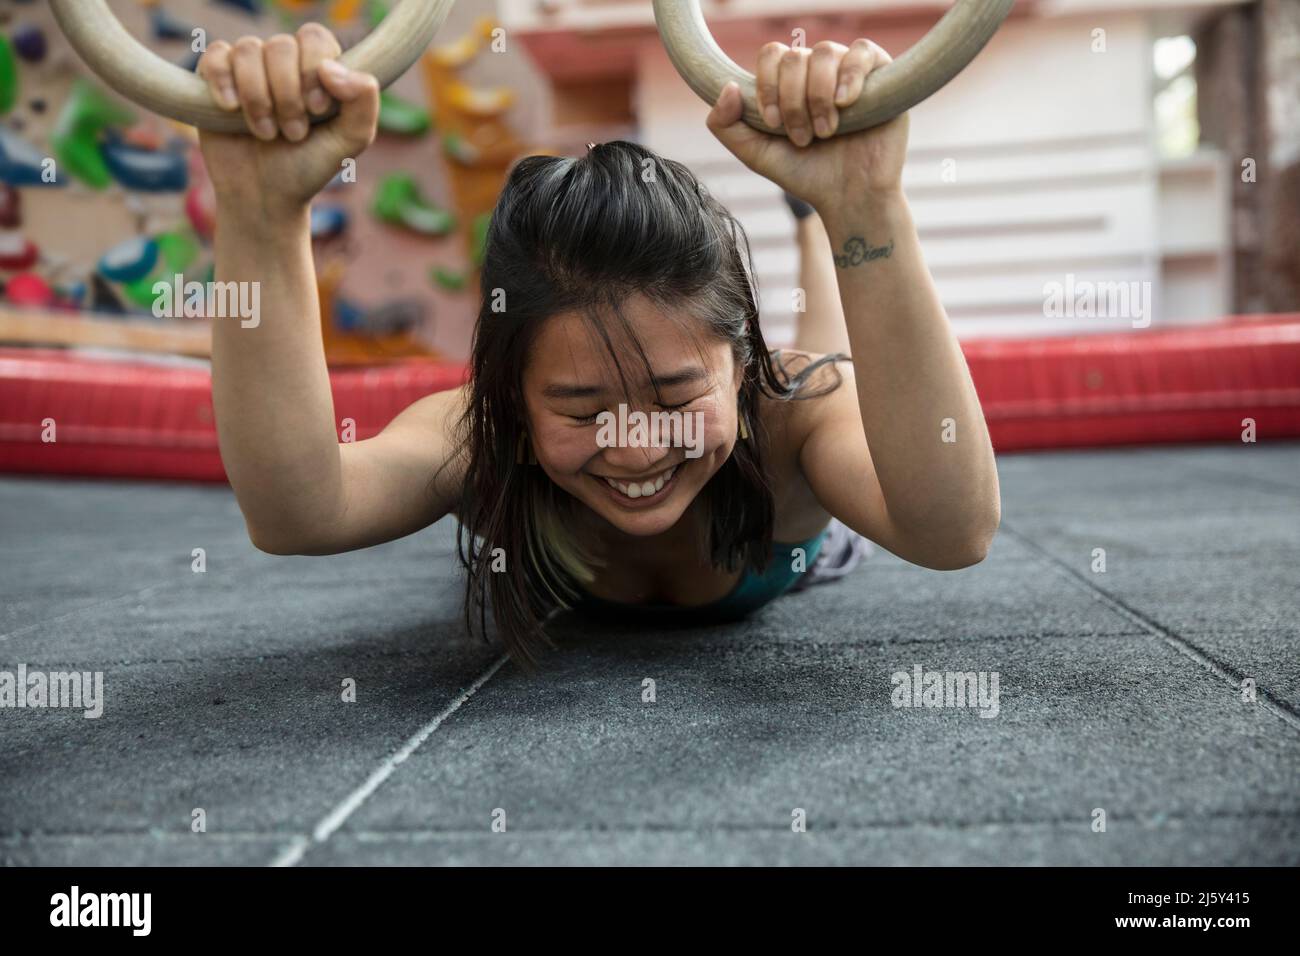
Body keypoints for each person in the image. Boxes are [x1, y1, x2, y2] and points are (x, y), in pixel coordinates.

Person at [196, 25, 1001, 667]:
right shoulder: (479, 433)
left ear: (737, 366)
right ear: (512, 393)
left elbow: (952, 533)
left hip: (783, 426)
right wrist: (261, 216)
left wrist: (868, 208)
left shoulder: (788, 414)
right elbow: (297, 514)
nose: (635, 446)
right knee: (813, 380)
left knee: (823, 375)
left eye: (679, 398)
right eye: (581, 410)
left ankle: (819, 231)